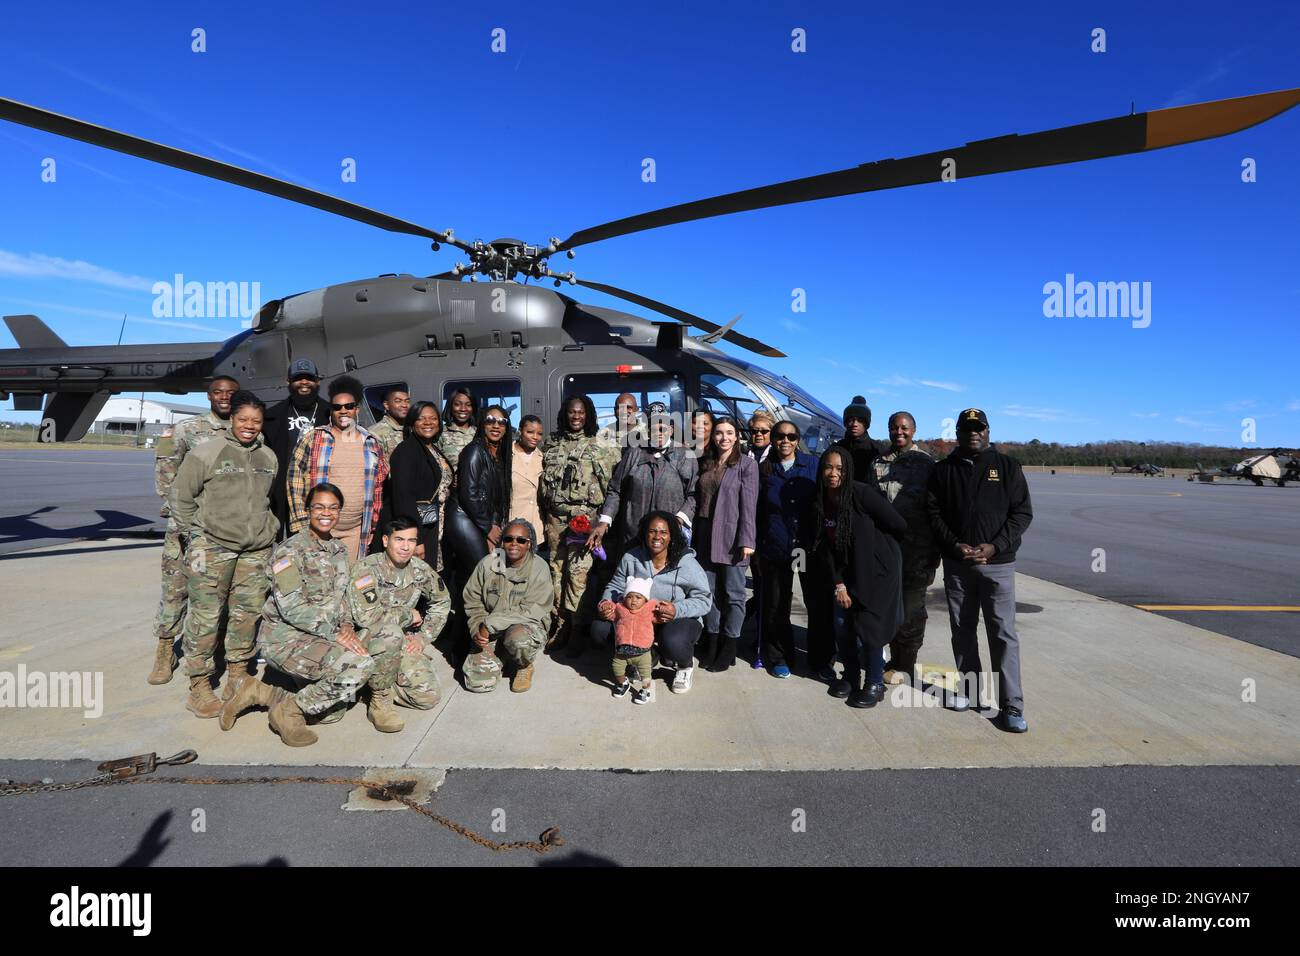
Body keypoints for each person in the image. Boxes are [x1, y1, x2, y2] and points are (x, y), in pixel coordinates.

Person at [169, 391, 279, 718]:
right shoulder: (206, 453)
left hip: (255, 551)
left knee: (246, 616)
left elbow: (263, 499)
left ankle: (237, 675)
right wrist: (196, 536)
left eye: (255, 421)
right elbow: (180, 497)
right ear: (231, 419)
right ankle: (199, 684)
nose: (249, 426)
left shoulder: (268, 458)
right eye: (243, 419)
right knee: (205, 615)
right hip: (212, 548)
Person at [220, 482, 356, 746]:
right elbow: (292, 608)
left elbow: (342, 599)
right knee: (354, 667)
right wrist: (336, 634)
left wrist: (348, 625)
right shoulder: (289, 552)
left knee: (333, 710)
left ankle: (260, 691)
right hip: (286, 639)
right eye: (319, 507)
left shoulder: (338, 550)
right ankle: (286, 710)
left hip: (320, 637)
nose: (326, 513)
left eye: (333, 508)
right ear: (307, 510)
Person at [927, 408, 1033, 731]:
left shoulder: (1007, 467)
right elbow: (933, 512)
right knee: (962, 629)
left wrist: (995, 546)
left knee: (1002, 634)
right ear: (957, 433)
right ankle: (972, 693)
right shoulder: (943, 470)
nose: (974, 433)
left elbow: (1022, 514)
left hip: (997, 566)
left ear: (987, 431)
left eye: (979, 427)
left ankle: (1011, 705)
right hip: (958, 564)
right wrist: (955, 544)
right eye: (967, 428)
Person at [148, 374, 238, 685]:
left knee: (217, 592)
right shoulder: (187, 429)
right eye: (218, 392)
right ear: (209, 396)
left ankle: (212, 649)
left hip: (225, 527)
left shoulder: (246, 428)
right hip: (186, 526)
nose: (224, 397)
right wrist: (183, 518)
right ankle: (165, 650)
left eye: (230, 392)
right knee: (176, 589)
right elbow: (166, 474)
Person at [806, 446, 907, 708]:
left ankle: (874, 682)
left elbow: (898, 524)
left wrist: (877, 549)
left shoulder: (862, 494)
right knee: (842, 624)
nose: (833, 473)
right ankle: (851, 676)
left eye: (840, 468)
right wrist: (839, 583)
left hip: (877, 573)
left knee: (870, 628)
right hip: (845, 573)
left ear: (848, 470)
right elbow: (825, 547)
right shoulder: (820, 501)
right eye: (828, 466)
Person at [593, 511, 712, 694]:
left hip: (673, 622)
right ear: (644, 534)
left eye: (663, 532)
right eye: (652, 531)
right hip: (637, 619)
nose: (657, 537)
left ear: (672, 536)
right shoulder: (631, 557)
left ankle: (685, 665)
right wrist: (606, 603)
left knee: (673, 641)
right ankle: (642, 656)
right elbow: (615, 585)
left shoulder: (687, 564)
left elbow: (704, 600)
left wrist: (677, 609)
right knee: (599, 629)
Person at [539, 395, 621, 655]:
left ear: (589, 415)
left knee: (578, 576)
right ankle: (560, 624)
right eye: (572, 412)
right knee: (556, 572)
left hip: (584, 523)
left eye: (581, 412)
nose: (576, 417)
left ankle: (576, 628)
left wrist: (603, 523)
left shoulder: (602, 446)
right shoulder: (552, 444)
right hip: (555, 521)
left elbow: (613, 489)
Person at [347, 517, 451, 718]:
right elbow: (367, 618)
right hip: (365, 642)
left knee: (427, 697)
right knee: (333, 711)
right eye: (399, 539)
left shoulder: (420, 570)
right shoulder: (366, 570)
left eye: (411, 541)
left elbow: (442, 602)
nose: (406, 547)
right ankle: (377, 693)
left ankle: (371, 688)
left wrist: (423, 638)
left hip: (400, 642)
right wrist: (408, 615)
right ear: (386, 541)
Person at [286, 375, 388, 561]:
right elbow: (295, 479)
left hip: (356, 531)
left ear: (356, 409)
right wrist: (301, 523)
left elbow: (379, 486)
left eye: (349, 406)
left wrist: (374, 525)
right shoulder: (313, 438)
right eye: (337, 407)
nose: (343, 411)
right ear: (331, 410)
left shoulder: (372, 443)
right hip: (318, 528)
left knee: (347, 580)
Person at [873, 411, 940, 685]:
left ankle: (905, 663)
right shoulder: (877, 462)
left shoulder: (926, 464)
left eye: (904, 428)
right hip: (885, 550)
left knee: (911, 611)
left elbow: (936, 509)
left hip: (917, 553)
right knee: (887, 608)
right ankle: (890, 657)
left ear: (913, 430)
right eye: (894, 428)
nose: (898, 432)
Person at [587, 402, 697, 558]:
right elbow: (615, 490)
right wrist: (604, 522)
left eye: (663, 428)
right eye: (653, 428)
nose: (658, 432)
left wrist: (679, 520)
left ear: (671, 429)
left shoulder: (685, 455)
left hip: (669, 535)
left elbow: (693, 494)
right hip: (634, 533)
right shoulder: (634, 453)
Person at [755, 420, 819, 678]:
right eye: (780, 436)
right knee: (776, 605)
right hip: (776, 546)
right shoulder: (765, 470)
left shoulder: (812, 465)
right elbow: (757, 510)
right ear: (773, 438)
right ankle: (780, 656)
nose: (785, 441)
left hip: (804, 548)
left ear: (797, 440)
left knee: (815, 604)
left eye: (791, 437)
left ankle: (820, 657)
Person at [694, 417, 758, 672]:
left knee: (734, 595)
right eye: (719, 433)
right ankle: (712, 640)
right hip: (704, 534)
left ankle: (730, 645)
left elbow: (749, 506)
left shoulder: (747, 465)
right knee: (708, 592)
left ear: (737, 436)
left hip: (733, 537)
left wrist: (747, 539)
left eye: (729, 433)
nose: (724, 438)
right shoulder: (706, 463)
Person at [461, 518, 553, 694]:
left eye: (521, 540)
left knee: (518, 639)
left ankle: (523, 665)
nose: (513, 544)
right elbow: (473, 601)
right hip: (491, 630)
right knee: (478, 684)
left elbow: (530, 612)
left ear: (529, 544)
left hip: (525, 626)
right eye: (508, 539)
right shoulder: (489, 563)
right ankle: (500, 655)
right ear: (501, 542)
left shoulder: (539, 568)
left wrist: (489, 624)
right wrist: (476, 628)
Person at [377, 401, 453, 569]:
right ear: (412, 423)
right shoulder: (406, 451)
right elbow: (403, 499)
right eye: (421, 419)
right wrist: (413, 540)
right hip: (417, 530)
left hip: (432, 527)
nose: (428, 422)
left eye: (433, 418)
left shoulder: (432, 448)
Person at [262, 359, 332, 537]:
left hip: (318, 487)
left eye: (309, 378)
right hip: (281, 490)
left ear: (317, 381)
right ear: (288, 382)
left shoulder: (331, 414)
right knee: (279, 540)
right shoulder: (272, 416)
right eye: (298, 378)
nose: (304, 383)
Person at [443, 405, 513, 573]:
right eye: (490, 420)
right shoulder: (474, 450)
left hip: (483, 520)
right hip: (465, 518)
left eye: (502, 422)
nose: (496, 425)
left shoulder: (498, 455)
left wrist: (495, 525)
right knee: (486, 572)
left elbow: (495, 498)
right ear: (482, 424)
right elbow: (469, 494)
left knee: (496, 568)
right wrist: (488, 528)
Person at [609, 577, 656, 704]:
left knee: (645, 675)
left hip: (643, 652)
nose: (633, 600)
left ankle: (646, 690)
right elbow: (611, 613)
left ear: (645, 599)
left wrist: (663, 610)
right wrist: (604, 606)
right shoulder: (620, 608)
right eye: (629, 596)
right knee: (616, 668)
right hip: (622, 651)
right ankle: (623, 683)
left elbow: (660, 617)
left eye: (638, 597)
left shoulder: (649, 609)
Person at [511, 414, 545, 539]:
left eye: (539, 433)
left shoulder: (543, 458)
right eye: (530, 432)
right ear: (520, 431)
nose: (535, 437)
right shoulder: (505, 455)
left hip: (536, 528)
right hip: (512, 527)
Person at [834, 395, 879, 485]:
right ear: (845, 423)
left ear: (867, 423)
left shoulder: (878, 450)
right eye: (851, 420)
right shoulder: (835, 449)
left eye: (860, 420)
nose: (855, 424)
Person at [436, 387, 477, 475]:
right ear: (451, 406)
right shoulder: (440, 433)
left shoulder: (480, 433)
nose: (463, 409)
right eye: (457, 404)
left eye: (468, 405)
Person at [369, 387, 411, 458]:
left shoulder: (414, 428)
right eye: (398, 401)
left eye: (407, 401)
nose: (404, 405)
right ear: (386, 405)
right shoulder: (374, 433)